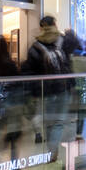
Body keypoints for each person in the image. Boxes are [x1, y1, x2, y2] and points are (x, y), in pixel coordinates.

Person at [22, 16, 72, 159]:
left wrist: (35, 91)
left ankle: (51, 150)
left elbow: (29, 72)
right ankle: (52, 150)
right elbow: (67, 65)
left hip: (46, 92)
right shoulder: (61, 44)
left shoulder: (35, 47)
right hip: (62, 90)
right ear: (55, 25)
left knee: (49, 122)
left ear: (41, 28)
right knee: (58, 122)